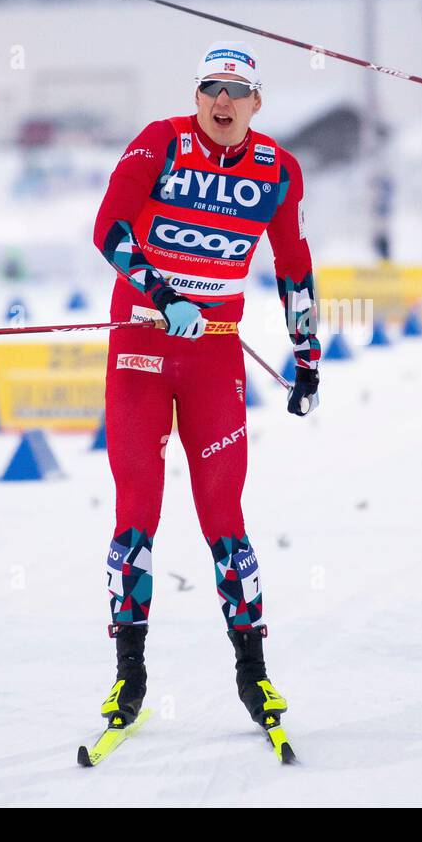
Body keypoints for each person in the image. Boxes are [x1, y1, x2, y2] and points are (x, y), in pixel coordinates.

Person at [90, 40, 320, 744]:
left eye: (235, 90)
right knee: (137, 511)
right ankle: (130, 677)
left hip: (214, 359)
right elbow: (109, 230)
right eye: (209, 88)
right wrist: (163, 292)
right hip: (142, 345)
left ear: (257, 102)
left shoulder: (279, 169)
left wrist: (306, 353)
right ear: (196, 97)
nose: (221, 102)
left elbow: (294, 264)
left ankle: (254, 674)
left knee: (224, 515)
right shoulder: (159, 143)